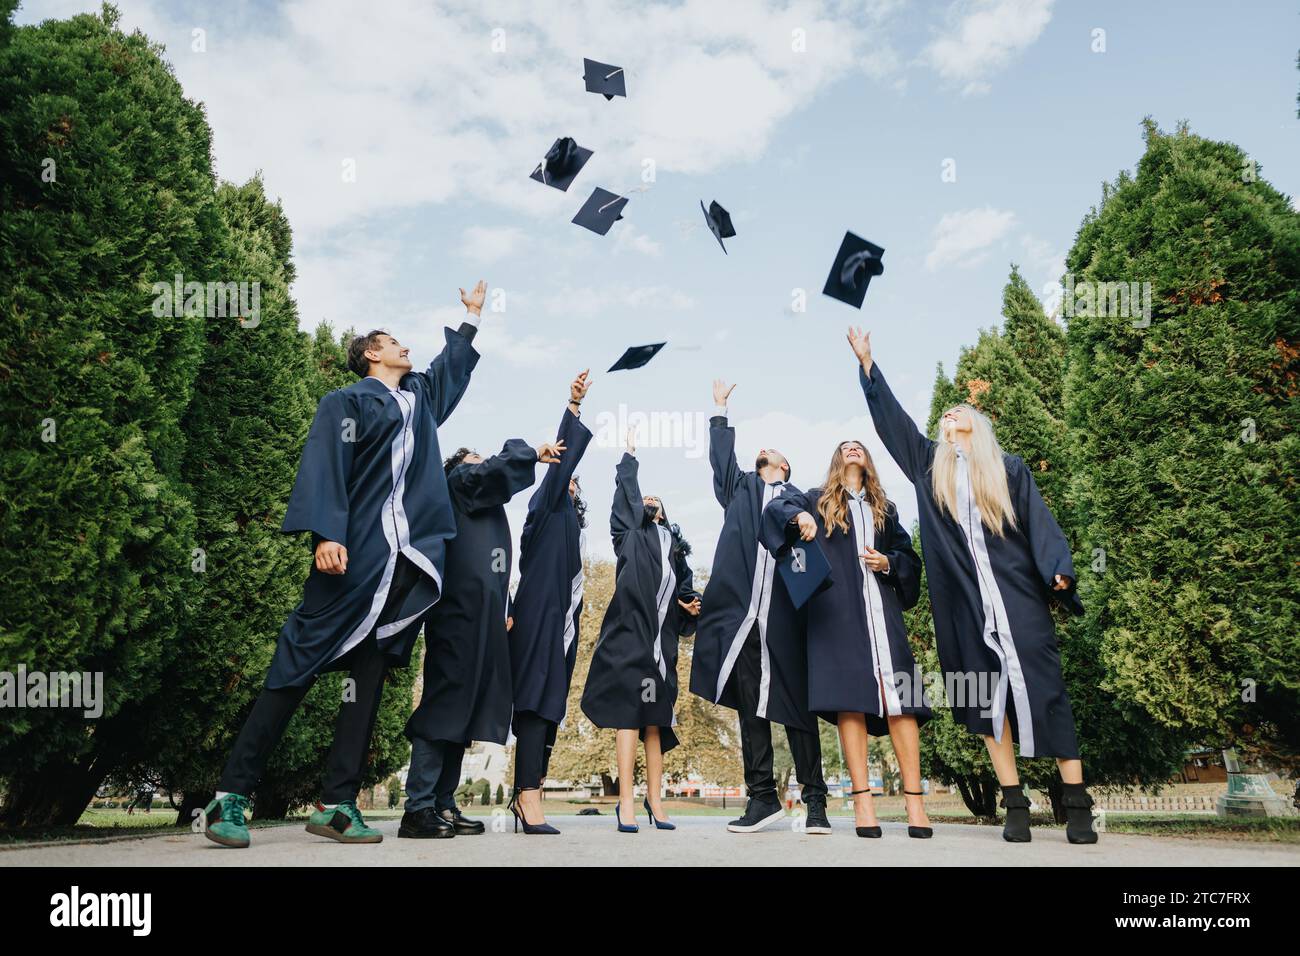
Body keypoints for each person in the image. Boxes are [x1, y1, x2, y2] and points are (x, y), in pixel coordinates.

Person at [201, 282, 488, 849]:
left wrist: (472, 316)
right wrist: (327, 533)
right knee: (296, 666)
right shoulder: (347, 403)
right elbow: (325, 464)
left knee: (368, 681)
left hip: (405, 566)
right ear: (371, 354)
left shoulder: (421, 399)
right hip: (357, 554)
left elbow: (451, 368)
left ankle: (337, 803)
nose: (404, 347)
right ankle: (229, 795)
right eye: (393, 341)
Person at [850, 326, 1098, 844]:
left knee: (1047, 691)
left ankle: (1077, 802)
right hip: (964, 606)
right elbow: (893, 423)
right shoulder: (929, 467)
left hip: (1017, 599)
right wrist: (869, 366)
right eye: (945, 414)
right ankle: (1014, 803)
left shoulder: (1008, 470)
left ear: (976, 425)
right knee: (986, 701)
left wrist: (1058, 567)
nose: (949, 414)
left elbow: (1039, 521)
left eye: (959, 410)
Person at [399, 430, 565, 839]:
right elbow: (492, 469)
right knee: (444, 705)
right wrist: (528, 451)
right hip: (456, 615)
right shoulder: (458, 482)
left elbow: (494, 571)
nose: (483, 462)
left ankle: (443, 802)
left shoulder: (485, 504)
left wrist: (505, 609)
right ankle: (417, 808)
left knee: (466, 711)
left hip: (485, 621)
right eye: (475, 458)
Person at [762, 440, 932, 839]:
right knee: (849, 701)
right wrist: (801, 515)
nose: (853, 449)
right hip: (837, 613)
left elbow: (909, 558)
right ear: (836, 459)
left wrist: (888, 562)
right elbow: (775, 509)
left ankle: (915, 802)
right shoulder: (816, 499)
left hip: (882, 612)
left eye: (859, 446)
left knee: (903, 702)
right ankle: (862, 802)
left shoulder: (885, 509)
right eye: (845, 447)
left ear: (867, 459)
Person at [689, 379, 829, 835]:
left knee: (797, 708)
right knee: (750, 707)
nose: (764, 449)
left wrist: (803, 515)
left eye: (773, 450)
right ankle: (762, 797)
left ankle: (815, 801)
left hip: (785, 616)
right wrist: (719, 410)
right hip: (743, 617)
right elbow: (721, 461)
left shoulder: (800, 497)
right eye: (760, 450)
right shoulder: (741, 489)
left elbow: (807, 531)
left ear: (785, 465)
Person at [580, 430, 701, 833]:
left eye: (655, 499)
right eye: (643, 498)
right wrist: (629, 457)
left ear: (665, 513)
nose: (648, 500)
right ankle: (626, 803)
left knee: (656, 720)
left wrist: (690, 604)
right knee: (629, 715)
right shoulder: (632, 535)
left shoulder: (675, 551)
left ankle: (656, 800)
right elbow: (627, 499)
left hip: (662, 646)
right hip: (631, 638)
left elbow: (685, 592)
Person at [507, 371, 595, 835]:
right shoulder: (545, 507)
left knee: (551, 704)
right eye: (568, 479)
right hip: (538, 615)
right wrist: (573, 407)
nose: (572, 482)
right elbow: (560, 465)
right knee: (535, 701)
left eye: (576, 482)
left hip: (562, 620)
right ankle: (527, 796)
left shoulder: (569, 523)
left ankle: (531, 788)